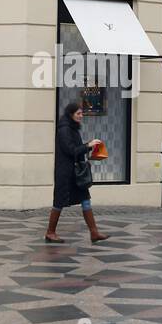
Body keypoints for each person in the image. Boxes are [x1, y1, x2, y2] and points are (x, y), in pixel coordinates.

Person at [47, 101, 107, 243]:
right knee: (59, 202)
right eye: (78, 113)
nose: (81, 116)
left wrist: (90, 146)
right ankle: (50, 232)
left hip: (75, 173)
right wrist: (88, 146)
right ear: (71, 114)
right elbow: (71, 150)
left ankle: (94, 233)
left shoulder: (72, 128)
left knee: (85, 200)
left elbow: (77, 148)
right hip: (66, 173)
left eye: (81, 113)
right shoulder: (64, 129)